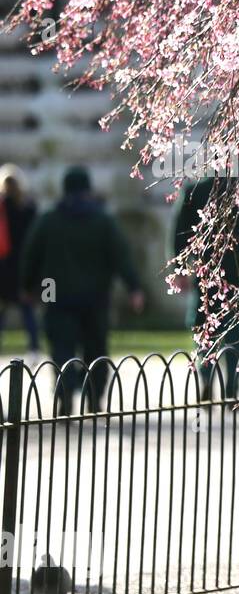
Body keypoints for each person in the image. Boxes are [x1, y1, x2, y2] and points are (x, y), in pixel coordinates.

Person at [19, 165, 145, 414]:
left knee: (61, 349)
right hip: (95, 294)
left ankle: (64, 395)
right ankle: (94, 397)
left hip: (52, 292)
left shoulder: (49, 219)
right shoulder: (103, 220)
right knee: (96, 350)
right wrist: (134, 288)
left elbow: (31, 255)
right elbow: (121, 257)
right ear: (88, 189)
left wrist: (27, 287)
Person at [172, 174, 239, 400]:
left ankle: (208, 378)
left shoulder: (196, 191)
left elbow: (180, 233)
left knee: (205, 330)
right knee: (236, 331)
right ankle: (231, 384)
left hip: (208, 272)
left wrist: (180, 266)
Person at [0, 164, 40, 355]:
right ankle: (34, 348)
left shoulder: (2, 207)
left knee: (2, 311)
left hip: (4, 265)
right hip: (24, 266)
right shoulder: (29, 207)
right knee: (27, 310)